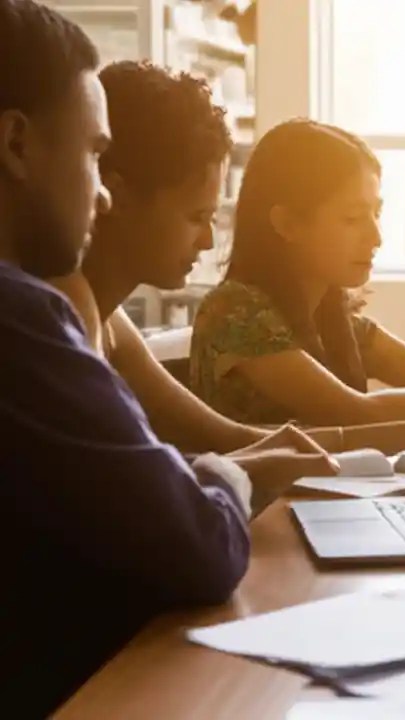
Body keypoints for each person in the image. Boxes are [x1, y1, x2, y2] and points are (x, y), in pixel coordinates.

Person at [0, 2, 331, 715]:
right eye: (93, 153)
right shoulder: (20, 319)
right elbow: (200, 548)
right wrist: (224, 480)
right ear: (17, 144)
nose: (104, 189)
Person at [50, 61, 405, 455]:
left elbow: (231, 439)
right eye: (195, 216)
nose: (207, 241)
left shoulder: (110, 323)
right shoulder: (73, 314)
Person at [189, 119, 405, 429]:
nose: (375, 237)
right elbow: (354, 416)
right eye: (352, 218)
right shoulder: (235, 313)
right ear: (287, 224)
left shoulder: (336, 319)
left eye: (376, 213)